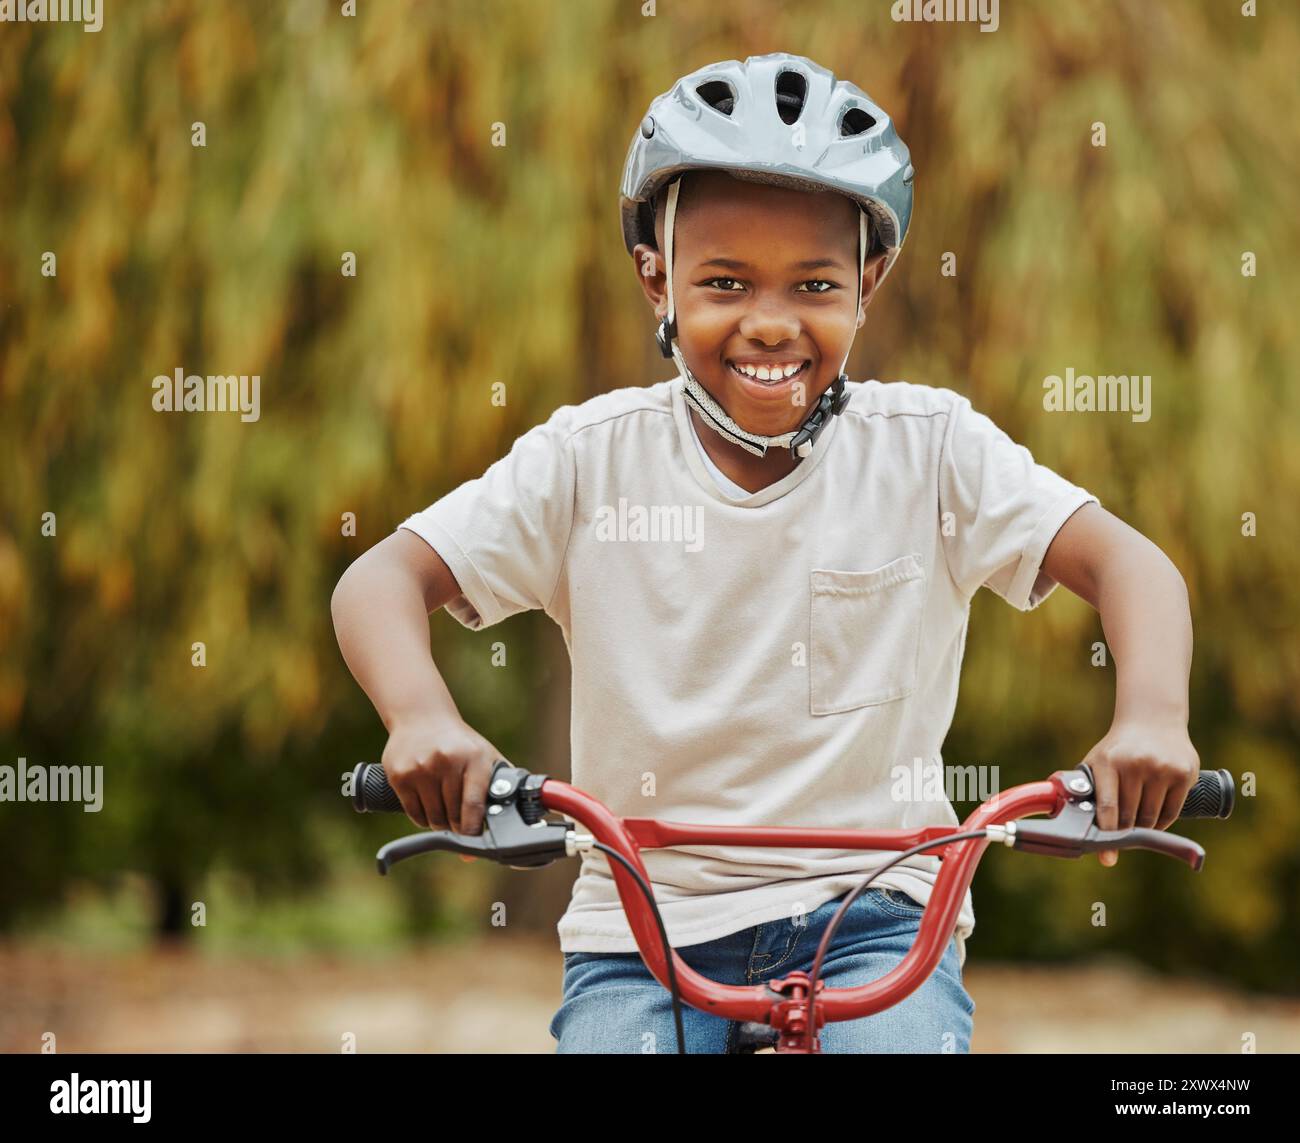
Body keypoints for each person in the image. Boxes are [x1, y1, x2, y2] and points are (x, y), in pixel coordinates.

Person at [330, 52, 1200, 1054]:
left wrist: (1150, 718)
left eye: (816, 283)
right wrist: (422, 719)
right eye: (724, 282)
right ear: (655, 281)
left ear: (869, 285)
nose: (771, 322)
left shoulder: (932, 453)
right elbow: (381, 578)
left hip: (875, 921)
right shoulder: (585, 463)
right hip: (642, 932)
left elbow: (1132, 566)